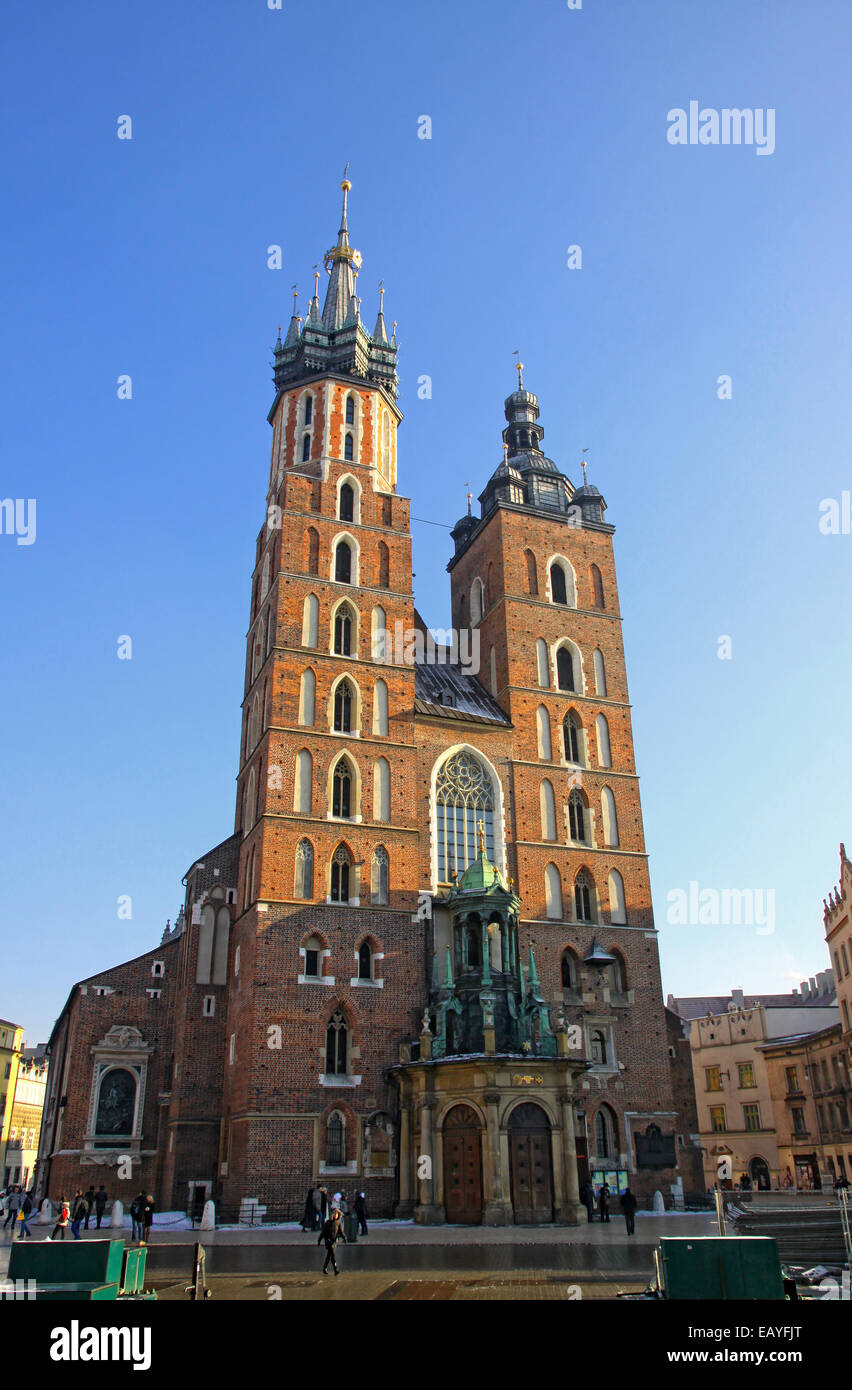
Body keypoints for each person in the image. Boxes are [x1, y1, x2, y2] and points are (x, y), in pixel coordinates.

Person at [318, 1205, 347, 1275]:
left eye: (337, 1215)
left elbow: (340, 1231)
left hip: (334, 1241)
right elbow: (323, 1233)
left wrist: (344, 1237)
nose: (336, 1216)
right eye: (335, 1215)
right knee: (332, 1255)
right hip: (328, 1241)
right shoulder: (328, 1223)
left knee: (329, 1255)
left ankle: (325, 1268)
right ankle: (335, 1269)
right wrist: (319, 1240)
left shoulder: (338, 1222)